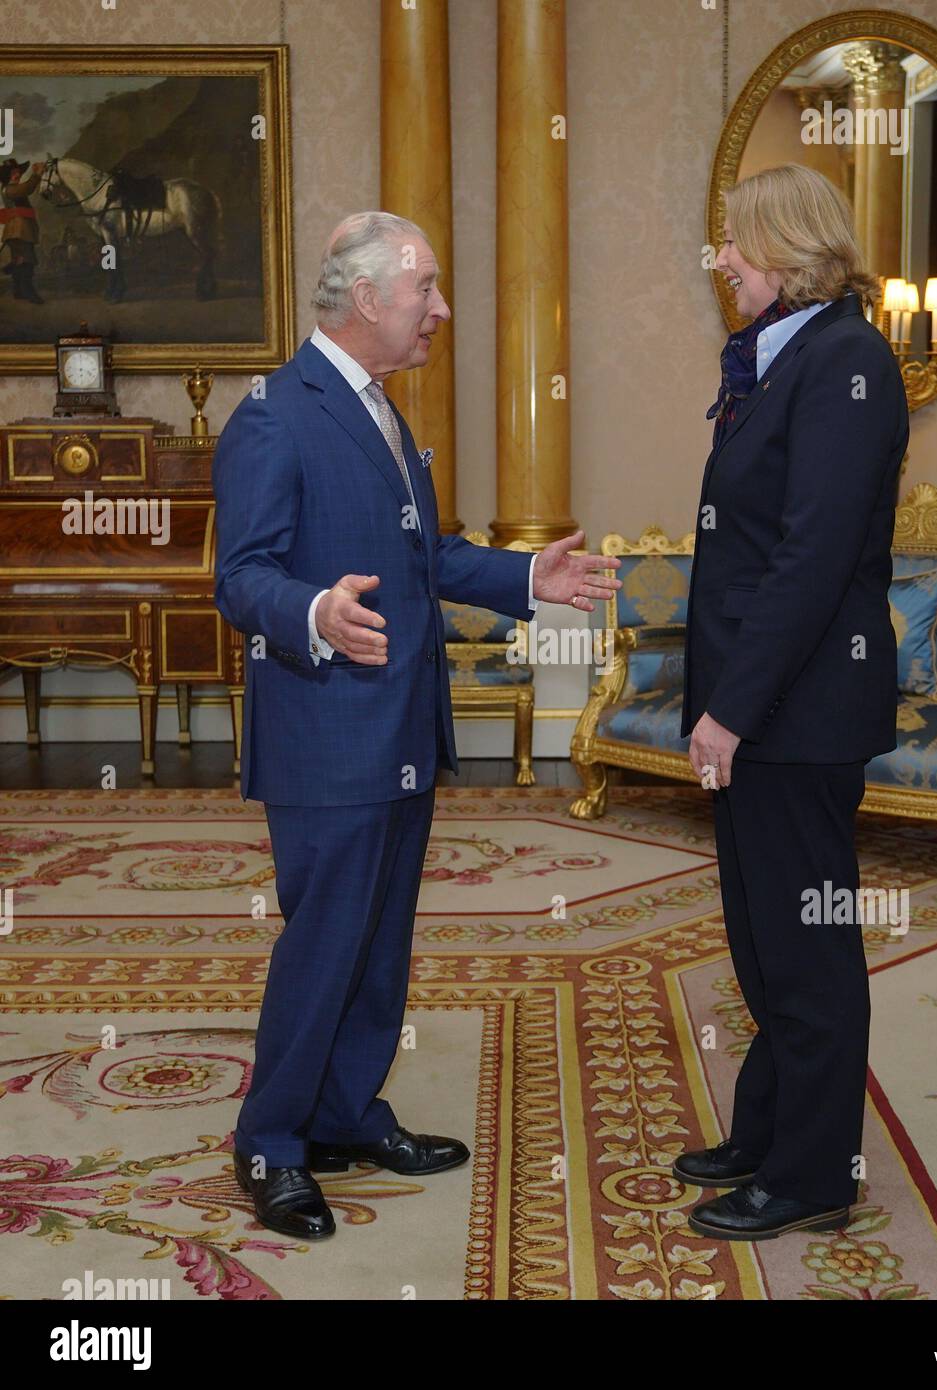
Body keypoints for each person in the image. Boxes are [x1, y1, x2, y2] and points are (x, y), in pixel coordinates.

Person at [213, 210, 621, 1240]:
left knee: (381, 942)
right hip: (324, 729)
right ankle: (271, 1140)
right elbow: (242, 575)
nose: (440, 310)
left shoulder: (387, 413)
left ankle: (347, 1112)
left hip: (397, 727)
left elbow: (426, 559)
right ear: (365, 300)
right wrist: (312, 612)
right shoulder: (275, 410)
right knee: (325, 942)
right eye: (426, 290)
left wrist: (531, 575)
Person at [677, 164, 909, 1240]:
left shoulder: (849, 361)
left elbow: (812, 560)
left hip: (798, 714)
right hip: (763, 707)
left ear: (784, 244)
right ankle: (769, 1128)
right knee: (766, 937)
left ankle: (814, 1173)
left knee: (809, 944)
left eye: (733, 241)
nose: (721, 259)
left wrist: (732, 709)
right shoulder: (785, 358)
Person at [1, 158, 45, 303]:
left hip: (19, 230)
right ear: (7, 176)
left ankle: (18, 291)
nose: (17, 174)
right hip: (19, 230)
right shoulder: (10, 189)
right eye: (13, 173)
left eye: (18, 172)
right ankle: (28, 292)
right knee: (27, 260)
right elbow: (28, 188)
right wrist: (37, 174)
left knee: (19, 260)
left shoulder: (11, 188)